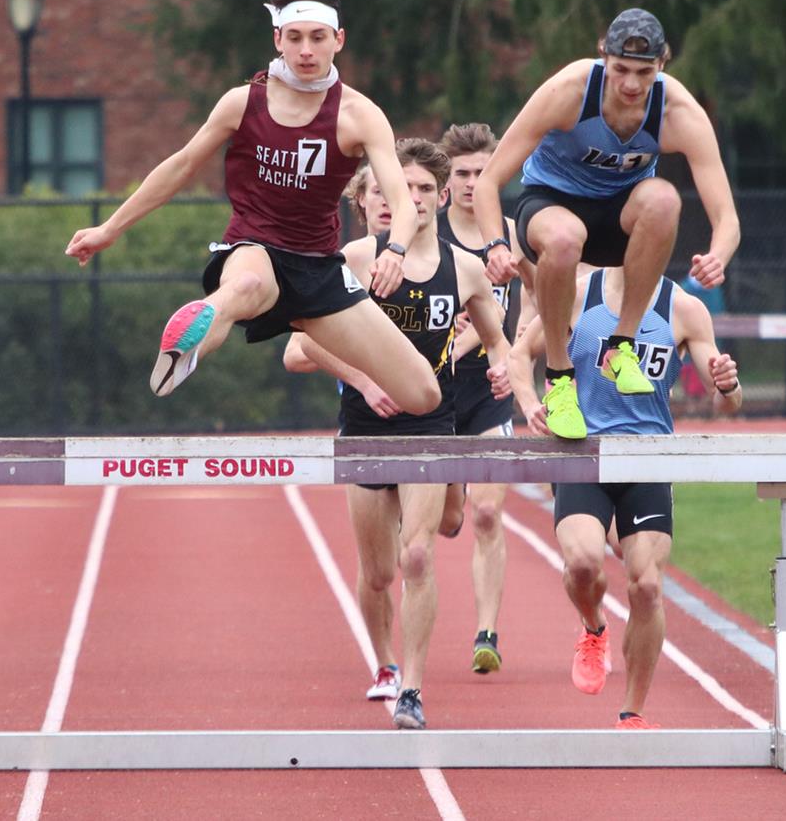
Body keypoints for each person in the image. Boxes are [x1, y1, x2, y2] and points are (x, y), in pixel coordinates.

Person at [65, 0, 440, 416]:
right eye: (295, 37)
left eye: (318, 38)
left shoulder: (360, 115)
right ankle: (190, 341)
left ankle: (228, 321)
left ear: (338, 39)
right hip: (255, 245)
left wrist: (395, 250)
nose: (306, 50)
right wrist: (110, 228)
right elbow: (181, 165)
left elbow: (400, 198)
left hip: (318, 269)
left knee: (423, 396)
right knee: (245, 285)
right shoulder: (242, 102)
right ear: (277, 38)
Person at [283, 138, 510, 730]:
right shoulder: (357, 260)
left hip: (431, 425)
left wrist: (509, 369)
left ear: (437, 197)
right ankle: (383, 662)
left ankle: (412, 688)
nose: (413, 200)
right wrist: (363, 379)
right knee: (379, 571)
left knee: (417, 555)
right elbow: (302, 342)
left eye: (424, 190)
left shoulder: (463, 267)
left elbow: (497, 335)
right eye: (402, 190)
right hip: (364, 425)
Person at [494, 265, 742, 729]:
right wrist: (530, 405)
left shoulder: (683, 309)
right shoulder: (574, 295)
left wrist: (728, 383)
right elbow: (519, 354)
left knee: (646, 586)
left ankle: (633, 711)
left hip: (648, 457)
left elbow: (723, 399)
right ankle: (594, 627)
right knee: (584, 563)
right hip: (581, 452)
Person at [476, 8, 742, 440]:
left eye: (645, 72)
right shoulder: (570, 90)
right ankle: (561, 379)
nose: (632, 85)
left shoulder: (678, 112)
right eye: (620, 70)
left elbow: (726, 216)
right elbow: (489, 181)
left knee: (664, 199)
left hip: (619, 217)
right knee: (565, 239)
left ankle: (623, 346)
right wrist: (495, 246)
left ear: (663, 64)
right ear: (603, 56)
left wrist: (718, 255)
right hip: (551, 203)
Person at [435, 122, 519, 675]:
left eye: (482, 173)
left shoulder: (512, 232)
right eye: (462, 174)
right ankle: (450, 500)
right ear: (446, 181)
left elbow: (536, 302)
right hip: (436, 394)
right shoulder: (427, 235)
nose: (471, 184)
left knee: (489, 515)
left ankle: (486, 632)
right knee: (447, 522)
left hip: (491, 394)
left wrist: (515, 356)